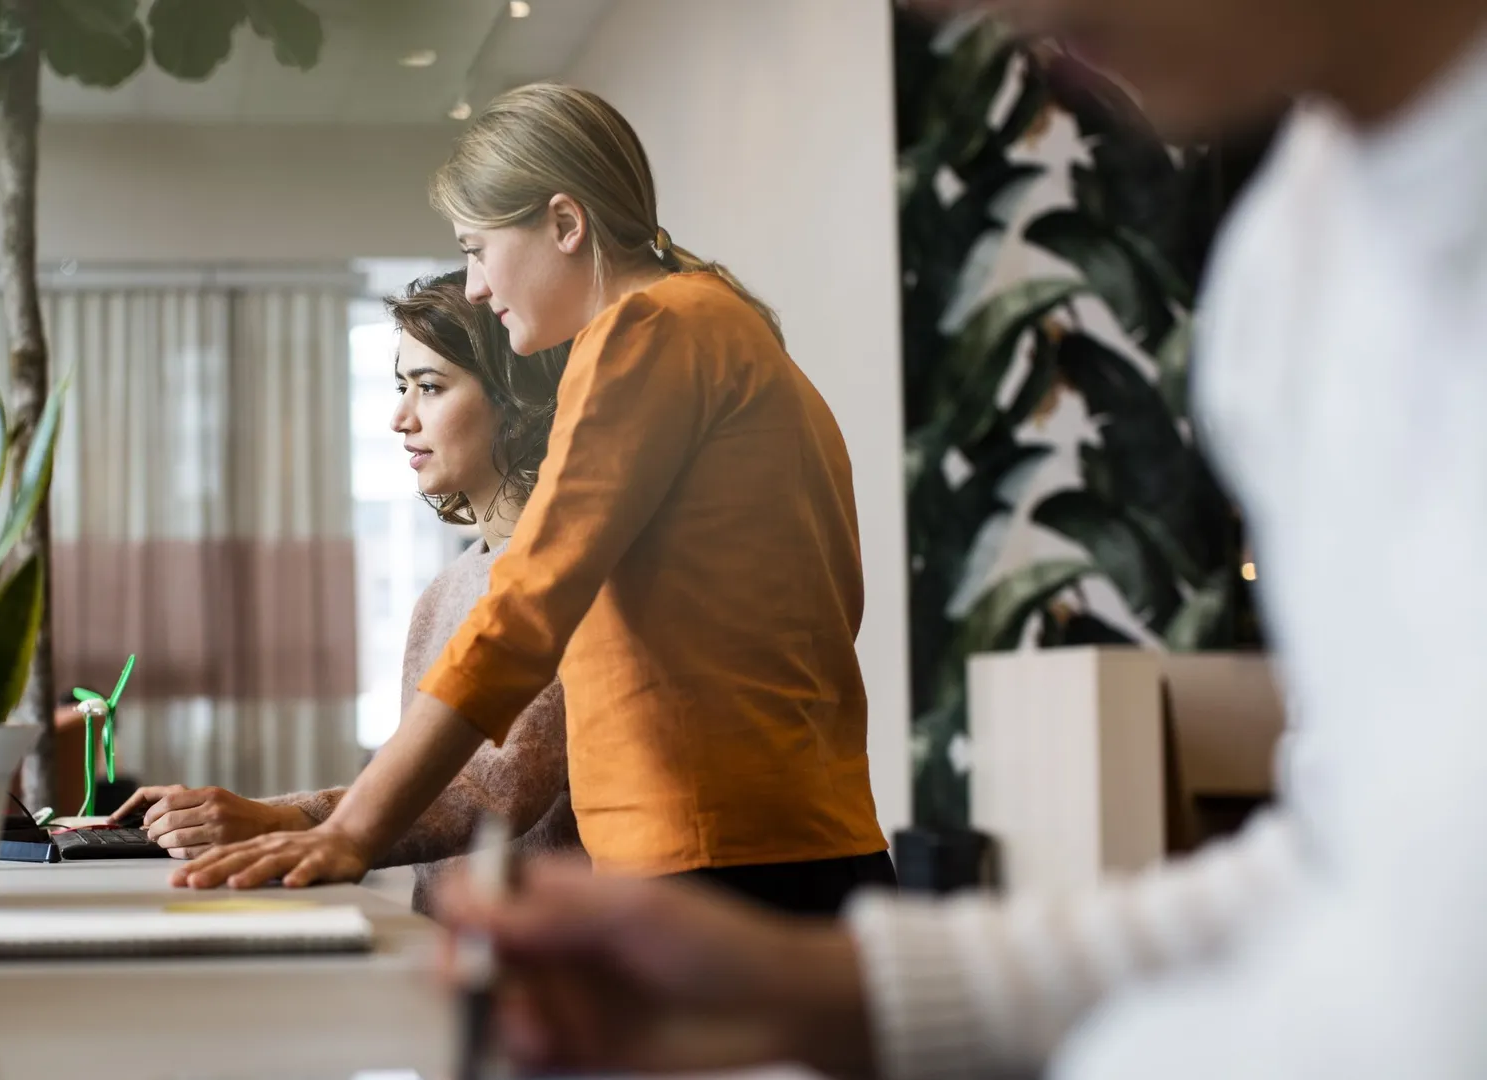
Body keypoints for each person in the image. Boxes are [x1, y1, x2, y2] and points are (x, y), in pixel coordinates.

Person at [437, 2, 1487, 1078]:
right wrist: (825, 991)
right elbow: (1356, 868)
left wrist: (359, 828)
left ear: (564, 222)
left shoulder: (665, 330)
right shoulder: (1294, 272)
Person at [175, 83, 895, 917]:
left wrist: (351, 833)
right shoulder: (730, 329)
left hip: (721, 864)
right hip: (799, 846)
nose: (477, 286)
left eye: (478, 250)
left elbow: (525, 610)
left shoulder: (646, 331)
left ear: (564, 223)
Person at [109, 270, 581, 915]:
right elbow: (421, 780)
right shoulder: (446, 590)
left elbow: (492, 789)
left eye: (430, 387)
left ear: (516, 401)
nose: (400, 418)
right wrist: (260, 815)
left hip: (541, 953)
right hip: (447, 940)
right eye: (401, 387)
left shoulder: (568, 571)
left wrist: (285, 820)